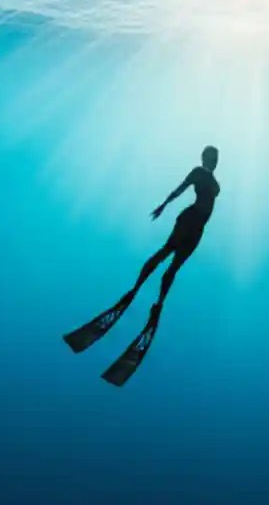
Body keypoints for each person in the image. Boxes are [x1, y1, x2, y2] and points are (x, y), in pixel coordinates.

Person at [63, 146, 220, 386]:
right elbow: (181, 187)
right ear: (205, 158)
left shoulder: (216, 184)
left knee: (173, 269)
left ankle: (158, 305)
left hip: (198, 230)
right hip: (189, 220)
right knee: (166, 252)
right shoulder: (198, 171)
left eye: (216, 159)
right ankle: (135, 290)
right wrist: (164, 204)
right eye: (212, 158)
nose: (214, 161)